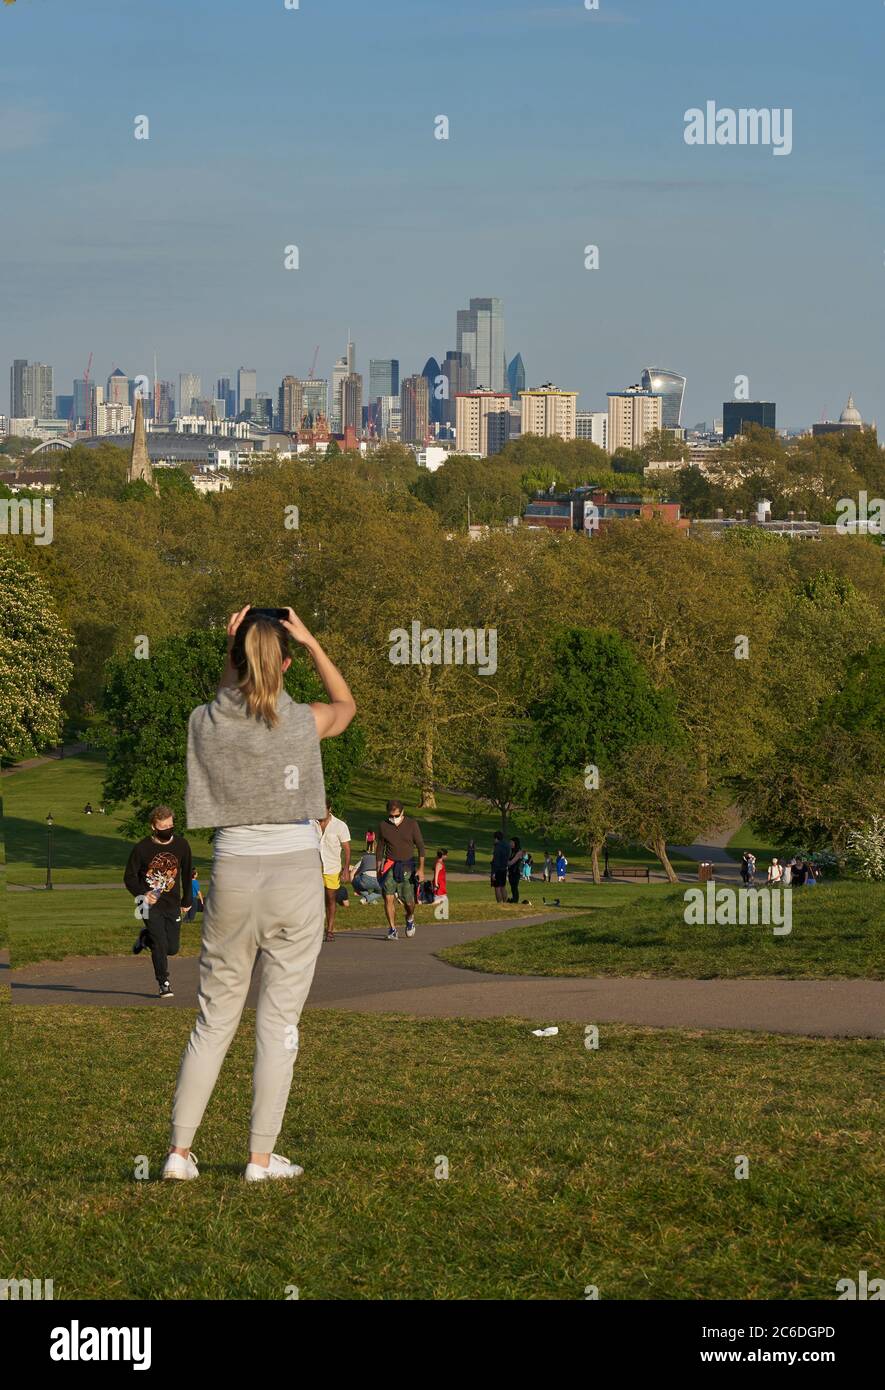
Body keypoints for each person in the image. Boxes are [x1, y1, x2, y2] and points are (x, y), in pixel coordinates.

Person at [163, 604, 355, 1184]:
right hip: (295, 874)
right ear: (288, 662)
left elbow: (226, 701)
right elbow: (347, 705)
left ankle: (177, 1153)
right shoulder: (303, 721)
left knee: (213, 1020)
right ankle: (260, 1159)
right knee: (279, 1024)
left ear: (235, 658)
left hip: (234, 872)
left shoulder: (205, 721)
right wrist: (314, 643)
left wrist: (236, 647)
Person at [125, 806, 193, 998]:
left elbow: (187, 873)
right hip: (148, 904)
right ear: (153, 827)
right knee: (160, 944)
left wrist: (187, 899)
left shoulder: (182, 845)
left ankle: (146, 938)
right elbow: (129, 877)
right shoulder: (142, 848)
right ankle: (163, 982)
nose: (168, 829)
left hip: (172, 903)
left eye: (170, 825)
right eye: (163, 826)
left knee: (172, 948)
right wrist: (143, 893)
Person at [375, 798, 426, 939]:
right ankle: (392, 929)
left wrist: (421, 869)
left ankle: (410, 919)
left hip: (406, 866)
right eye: (391, 816)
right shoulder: (383, 825)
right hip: (390, 865)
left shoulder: (412, 824)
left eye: (396, 816)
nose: (393, 818)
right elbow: (380, 847)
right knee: (388, 897)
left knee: (409, 902)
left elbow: (421, 847)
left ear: (402, 812)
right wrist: (378, 864)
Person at [313, 803, 351, 942]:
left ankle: (329, 930)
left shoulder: (340, 826)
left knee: (330, 898)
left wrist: (346, 869)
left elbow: (347, 848)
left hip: (332, 868)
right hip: (313, 867)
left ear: (329, 809)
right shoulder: (311, 824)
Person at [490, 830, 509, 904]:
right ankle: (505, 902)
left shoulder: (497, 847)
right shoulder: (506, 845)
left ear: (496, 838)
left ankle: (499, 903)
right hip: (504, 868)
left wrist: (494, 873)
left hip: (497, 869)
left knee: (497, 887)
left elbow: (496, 860)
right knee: (503, 886)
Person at [507, 836, 522, 904]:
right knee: (512, 887)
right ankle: (513, 899)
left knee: (514, 887)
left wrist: (503, 861)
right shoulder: (511, 851)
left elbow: (511, 862)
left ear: (515, 843)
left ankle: (515, 901)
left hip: (515, 872)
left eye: (511, 842)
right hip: (511, 872)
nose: (510, 843)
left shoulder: (519, 852)